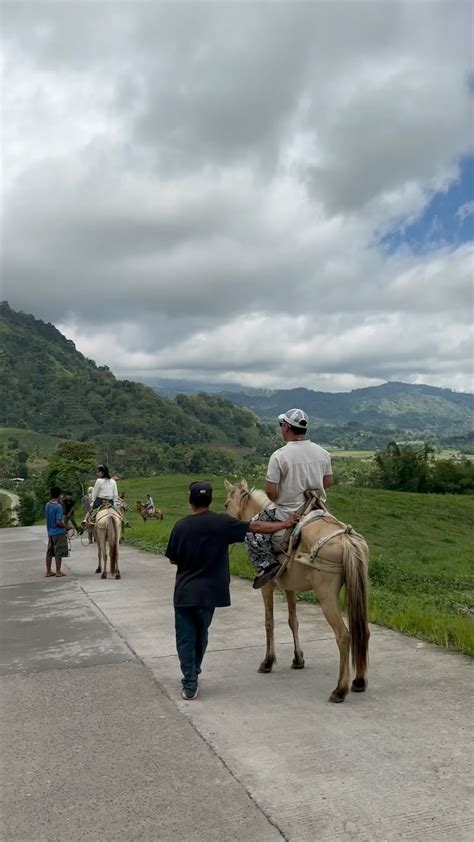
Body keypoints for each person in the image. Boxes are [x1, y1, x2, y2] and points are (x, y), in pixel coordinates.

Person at [165, 480, 298, 701]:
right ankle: (194, 672)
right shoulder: (222, 523)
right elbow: (255, 527)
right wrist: (284, 525)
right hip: (210, 593)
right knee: (202, 635)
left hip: (185, 593)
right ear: (209, 500)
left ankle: (190, 681)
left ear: (190, 501)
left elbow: (172, 559)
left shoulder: (180, 526)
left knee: (185, 638)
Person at [246, 408, 333, 590]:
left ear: (286, 427)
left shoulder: (280, 455)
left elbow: (270, 492)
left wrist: (282, 497)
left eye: (281, 425)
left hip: (288, 511)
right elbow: (328, 481)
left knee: (252, 529)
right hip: (316, 508)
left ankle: (266, 565)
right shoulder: (323, 452)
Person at [44, 486, 69, 577]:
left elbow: (48, 518)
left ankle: (48, 571)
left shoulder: (47, 505)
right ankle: (58, 571)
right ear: (58, 495)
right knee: (58, 552)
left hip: (50, 532)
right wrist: (67, 527)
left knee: (49, 552)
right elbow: (58, 522)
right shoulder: (58, 506)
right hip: (58, 532)